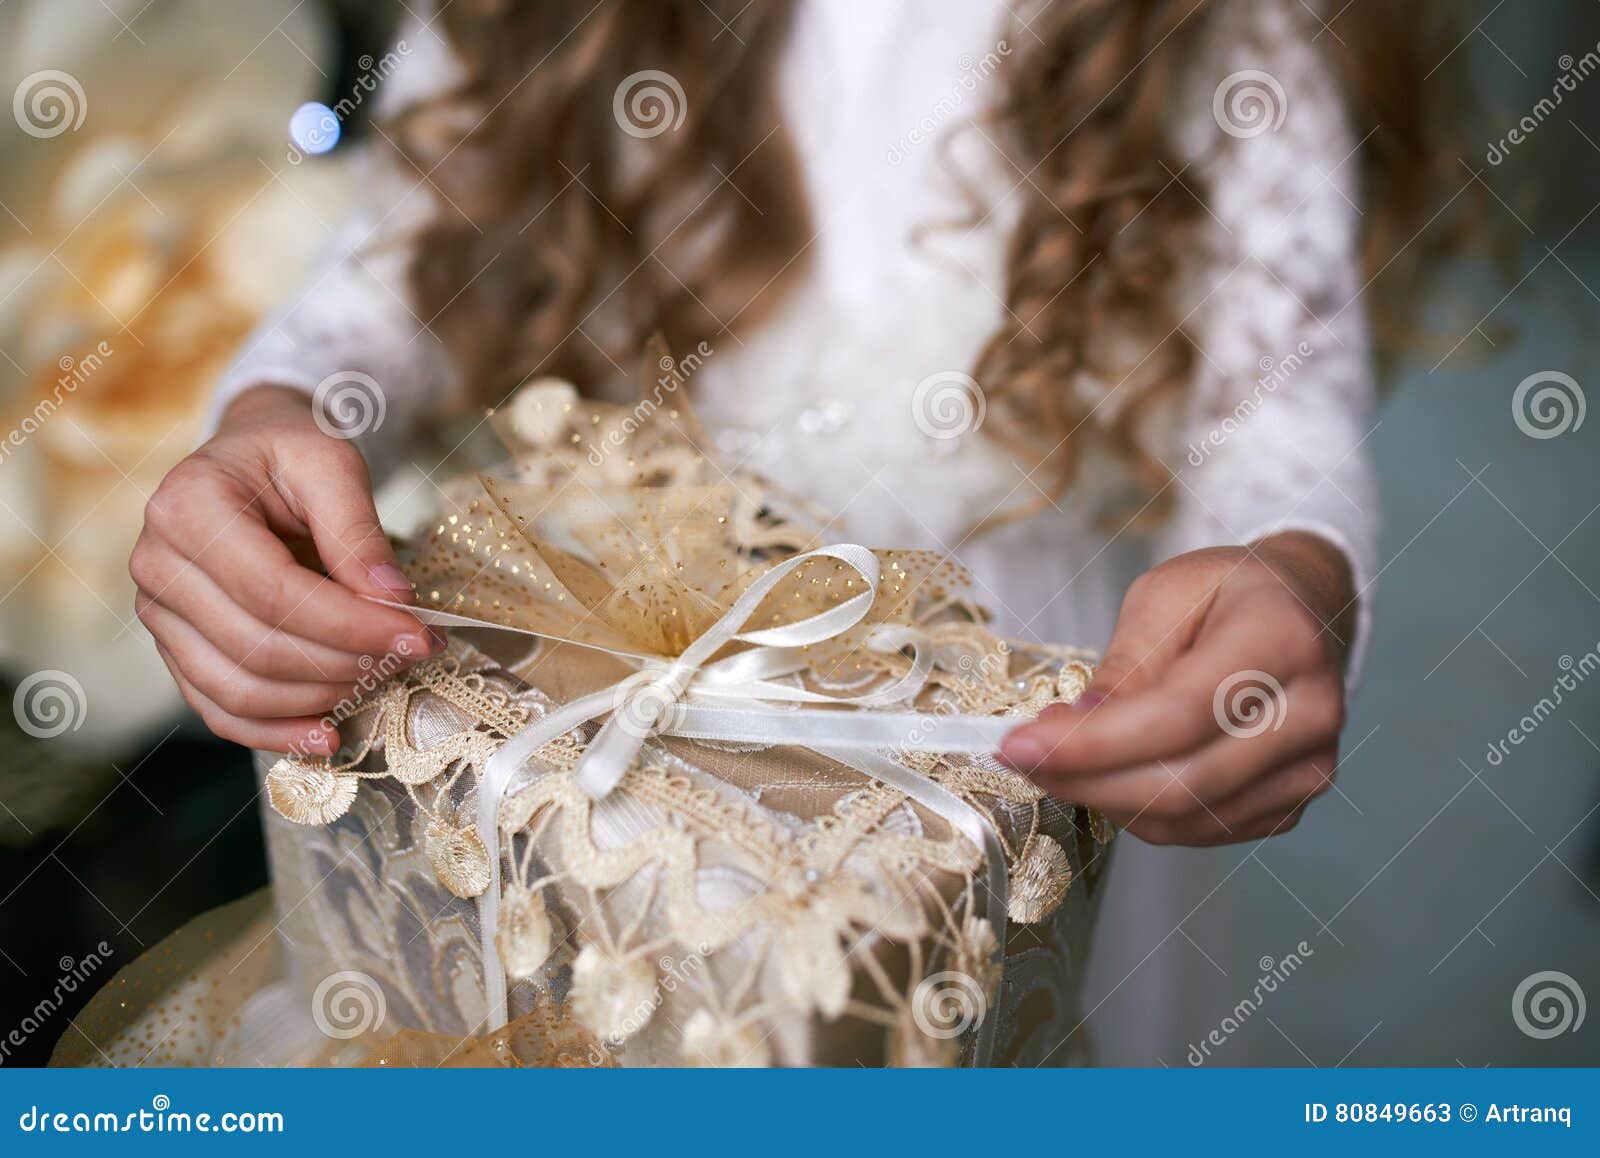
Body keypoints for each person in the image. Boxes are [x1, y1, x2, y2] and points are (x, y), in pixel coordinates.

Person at [122, 0, 1465, 1062]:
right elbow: (388, 270)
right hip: (598, 703)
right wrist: (275, 414)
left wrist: (1293, 571)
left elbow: (1277, 419)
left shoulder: (1233, 23)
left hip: (981, 725)